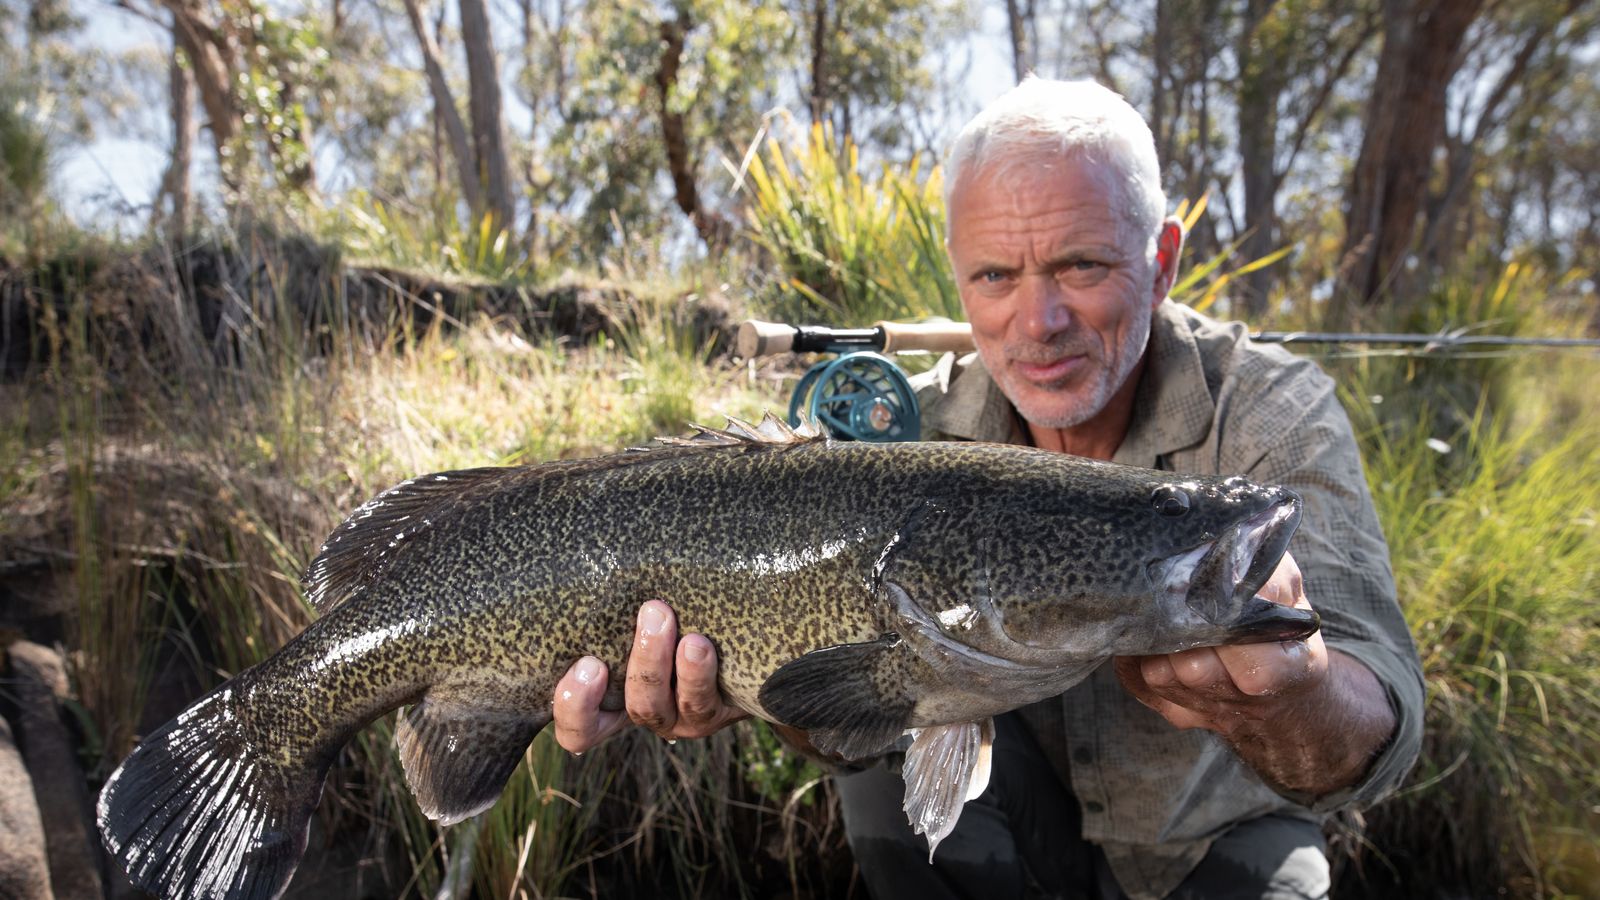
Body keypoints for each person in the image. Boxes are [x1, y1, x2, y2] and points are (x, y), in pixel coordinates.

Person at [547, 77, 1424, 900]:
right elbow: (829, 712)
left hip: (1212, 846)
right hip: (1009, 831)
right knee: (881, 783)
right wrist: (736, 691)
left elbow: (1377, 739)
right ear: (960, 273)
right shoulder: (905, 439)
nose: (1036, 324)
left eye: (1080, 266)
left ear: (1160, 262)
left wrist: (1297, 696)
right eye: (995, 277)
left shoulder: (1274, 411)